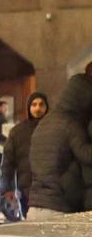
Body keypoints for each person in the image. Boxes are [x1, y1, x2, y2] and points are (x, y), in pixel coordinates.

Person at [28, 74, 92, 219]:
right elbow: (86, 155)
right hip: (57, 206)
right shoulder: (70, 124)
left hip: (35, 205)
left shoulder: (45, 122)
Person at [0, 92, 48, 217]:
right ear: (29, 107)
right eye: (34, 104)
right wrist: (6, 187)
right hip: (26, 187)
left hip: (50, 188)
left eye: (41, 105)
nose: (38, 108)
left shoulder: (54, 128)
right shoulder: (18, 132)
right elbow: (8, 161)